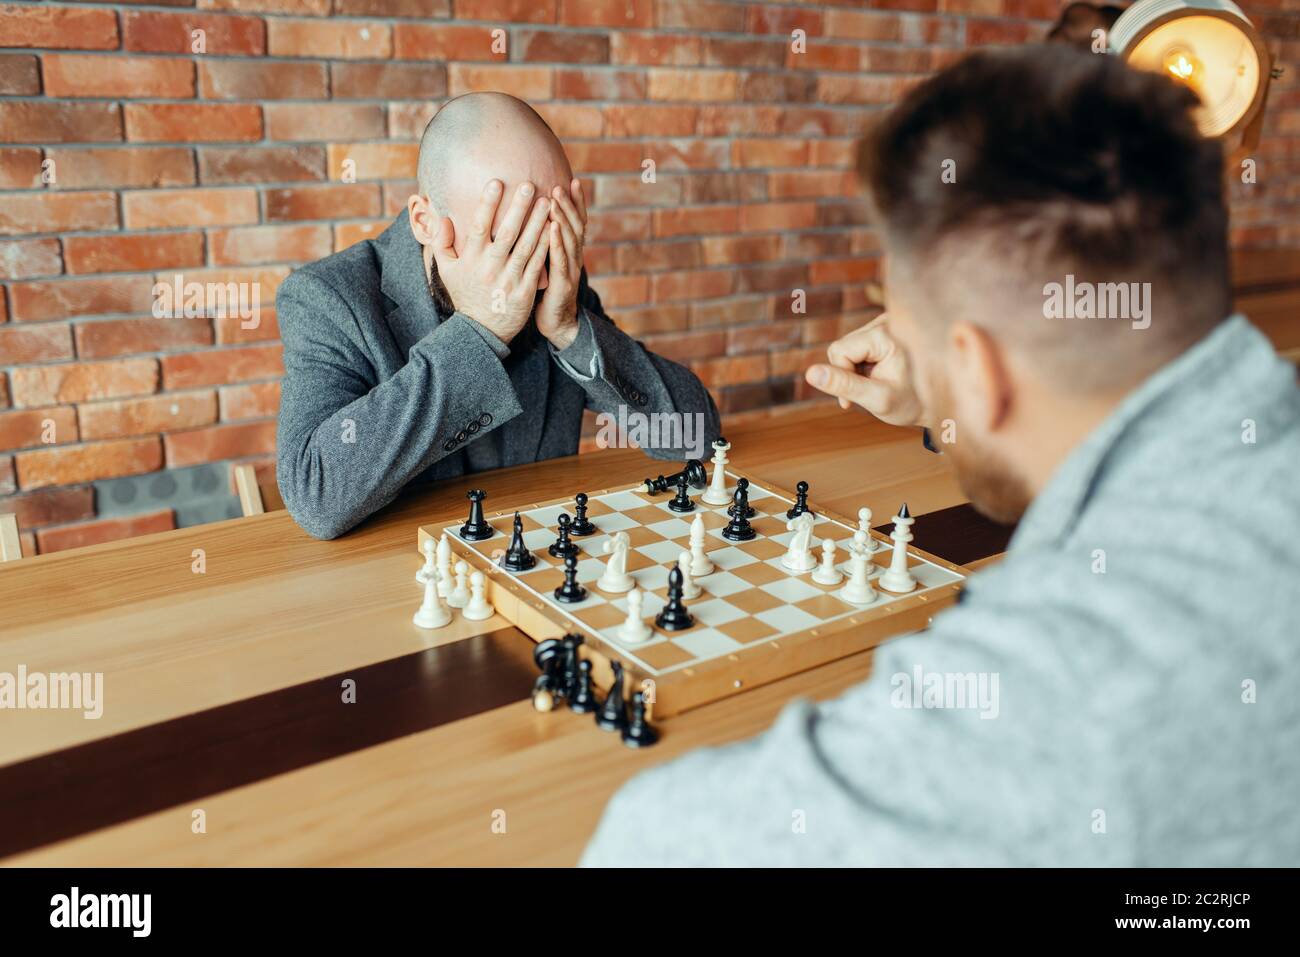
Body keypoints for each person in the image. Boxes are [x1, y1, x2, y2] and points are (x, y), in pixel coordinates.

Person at [582, 45, 1300, 866]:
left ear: (983, 369)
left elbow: (645, 843)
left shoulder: (1063, 696)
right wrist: (948, 399)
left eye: (909, 328)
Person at [276, 92, 720, 539]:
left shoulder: (554, 283)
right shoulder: (328, 299)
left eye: (550, 233)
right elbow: (316, 498)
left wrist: (569, 329)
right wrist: (480, 331)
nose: (536, 273)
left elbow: (696, 437)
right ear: (425, 221)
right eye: (508, 240)